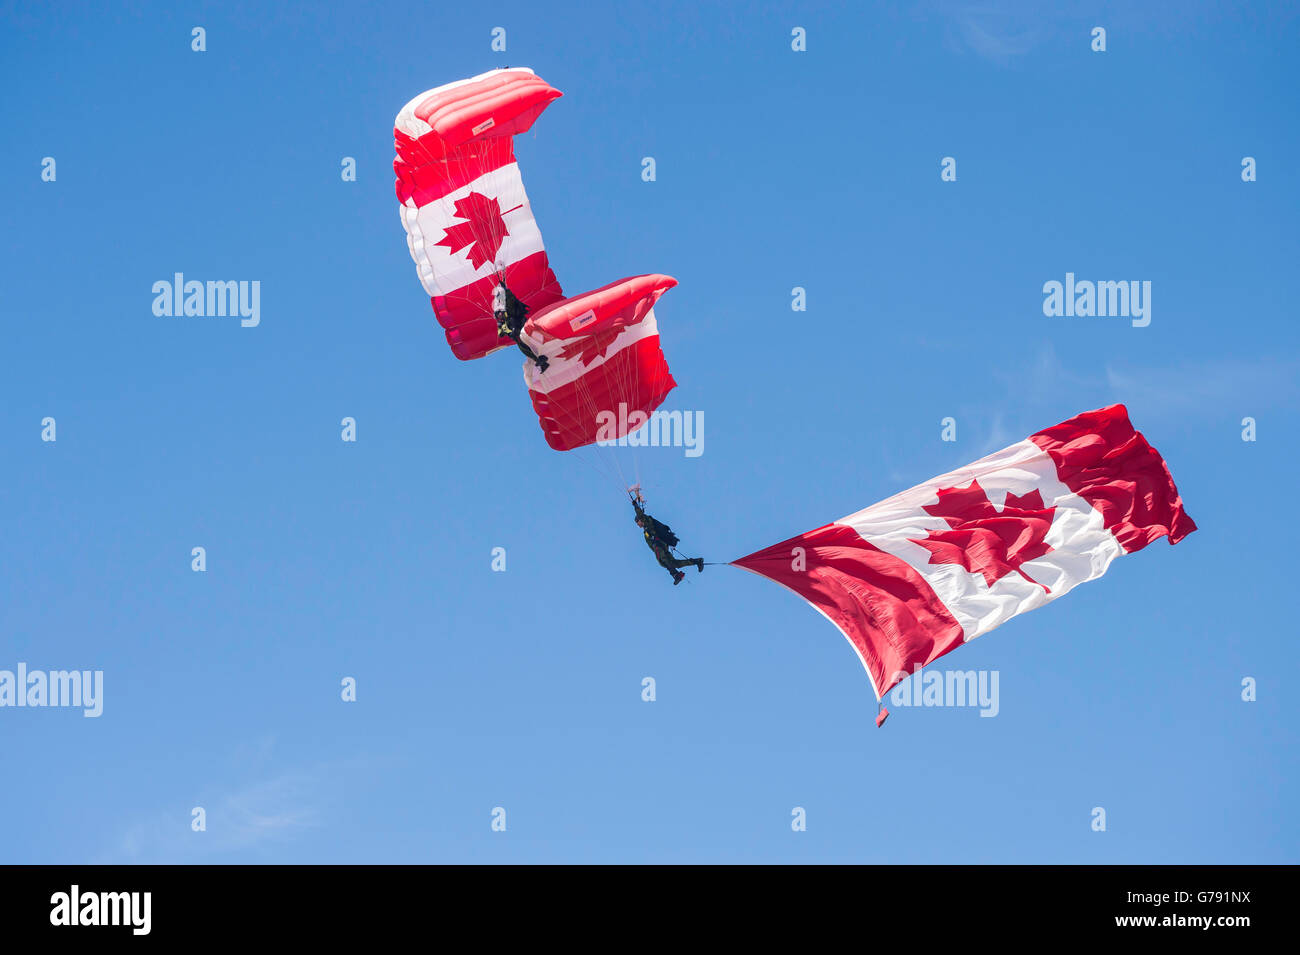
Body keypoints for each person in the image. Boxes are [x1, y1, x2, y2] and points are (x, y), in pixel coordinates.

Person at [631, 490, 704, 585]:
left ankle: (676, 574)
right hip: (661, 545)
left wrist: (635, 505)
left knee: (662, 559)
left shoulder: (647, 522)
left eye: (637, 522)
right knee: (673, 563)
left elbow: (641, 514)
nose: (638, 524)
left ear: (640, 520)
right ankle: (697, 561)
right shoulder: (646, 529)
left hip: (658, 544)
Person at [493, 279, 549, 371]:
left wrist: (504, 291)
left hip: (524, 327)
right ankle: (540, 361)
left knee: (528, 342)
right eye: (498, 314)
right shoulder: (502, 322)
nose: (500, 315)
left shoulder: (510, 310)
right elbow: (501, 333)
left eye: (500, 313)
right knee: (524, 348)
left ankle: (541, 357)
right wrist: (504, 329)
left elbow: (511, 300)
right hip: (519, 335)